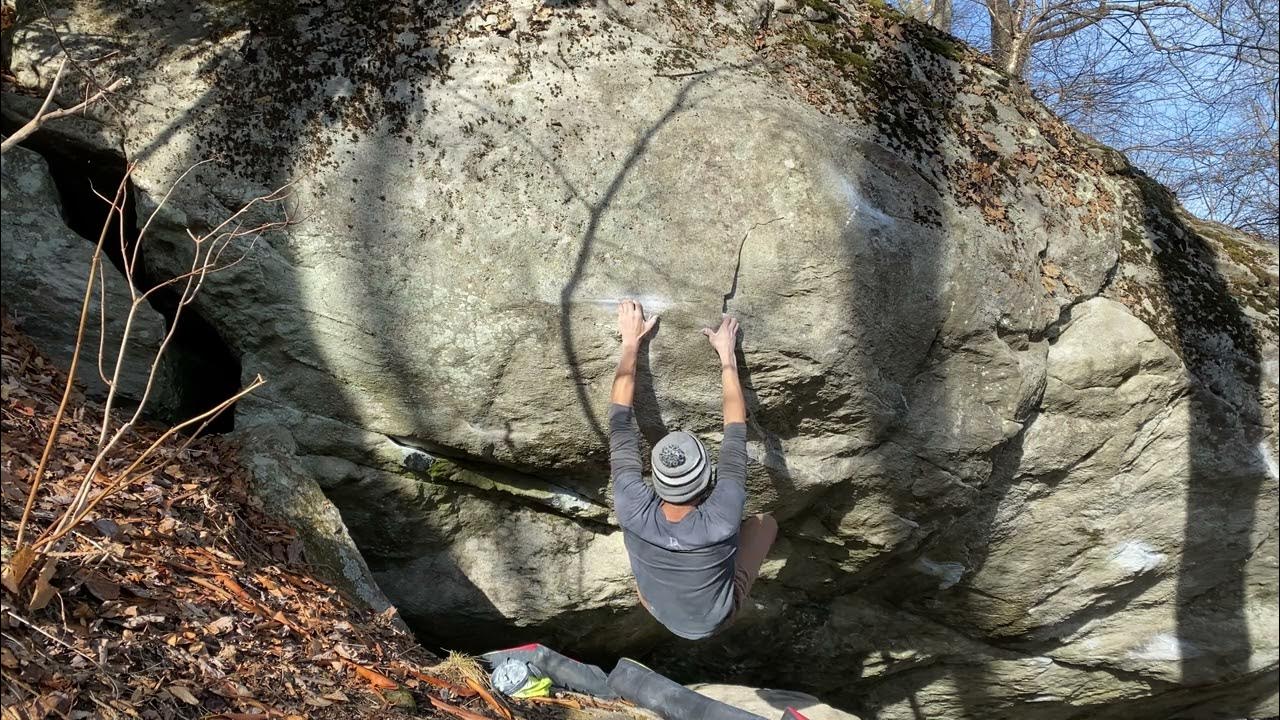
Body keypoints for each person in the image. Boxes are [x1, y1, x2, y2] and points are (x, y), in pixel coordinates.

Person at [608, 298, 778, 640]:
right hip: (712, 621)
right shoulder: (721, 517)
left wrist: (630, 344)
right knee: (765, 523)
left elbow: (619, 421)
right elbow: (735, 427)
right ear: (709, 480)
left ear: (655, 480)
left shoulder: (631, 503)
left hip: (654, 605)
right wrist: (726, 355)